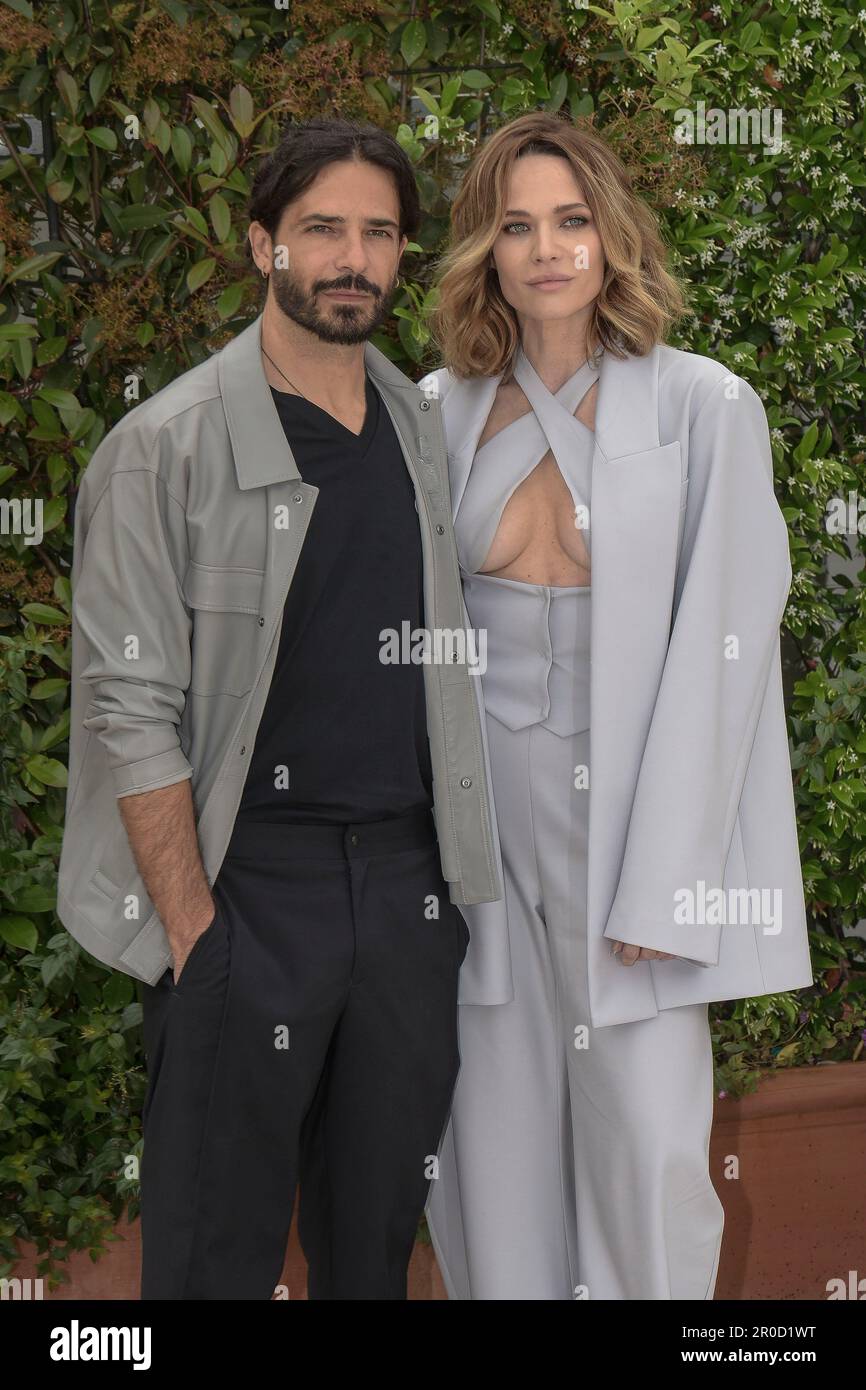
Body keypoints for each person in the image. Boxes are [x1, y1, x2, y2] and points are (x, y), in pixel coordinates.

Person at [56, 117, 503, 1300]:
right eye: (321, 231)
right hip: (248, 895)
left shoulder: (419, 427)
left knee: (373, 1251)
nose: (351, 258)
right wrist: (200, 937)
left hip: (404, 898)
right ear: (262, 245)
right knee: (212, 1258)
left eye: (376, 233)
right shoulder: (164, 450)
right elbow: (126, 710)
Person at [419, 110, 814, 1300]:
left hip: (629, 813)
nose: (547, 250)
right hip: (474, 816)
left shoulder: (703, 405)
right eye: (516, 225)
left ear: (610, 234)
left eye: (571, 220)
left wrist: (672, 875)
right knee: (486, 1141)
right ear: (484, 249)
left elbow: (723, 652)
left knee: (645, 1144)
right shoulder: (435, 407)